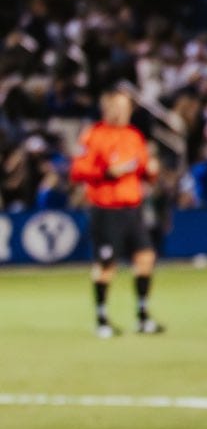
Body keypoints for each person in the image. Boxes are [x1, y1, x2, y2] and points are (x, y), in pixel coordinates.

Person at [70, 90, 163, 338]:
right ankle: (101, 318)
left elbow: (143, 167)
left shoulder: (134, 136)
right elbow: (78, 170)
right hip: (106, 209)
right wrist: (108, 172)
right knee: (106, 265)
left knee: (145, 258)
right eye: (118, 107)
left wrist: (152, 170)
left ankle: (142, 316)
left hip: (132, 208)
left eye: (126, 107)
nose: (123, 112)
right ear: (107, 108)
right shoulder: (94, 135)